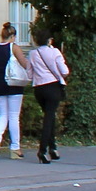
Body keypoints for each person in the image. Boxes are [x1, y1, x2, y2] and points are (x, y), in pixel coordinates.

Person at [26, 29, 71, 164]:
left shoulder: (33, 54)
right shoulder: (55, 52)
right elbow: (65, 71)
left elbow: (29, 74)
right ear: (49, 40)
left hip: (38, 88)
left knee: (48, 116)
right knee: (49, 117)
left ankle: (53, 148)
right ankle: (43, 150)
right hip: (52, 87)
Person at [0, 22, 31, 158]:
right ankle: (15, 148)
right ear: (12, 36)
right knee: (14, 116)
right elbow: (25, 64)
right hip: (14, 83)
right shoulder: (14, 47)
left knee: (2, 114)